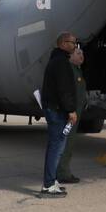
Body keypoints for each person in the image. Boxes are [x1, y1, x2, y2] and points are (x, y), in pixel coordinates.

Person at [38, 32, 79, 198]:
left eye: (76, 43)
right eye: (72, 43)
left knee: (56, 147)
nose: (75, 46)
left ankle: (52, 180)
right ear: (62, 43)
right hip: (57, 111)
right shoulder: (61, 63)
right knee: (56, 148)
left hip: (54, 109)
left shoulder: (56, 60)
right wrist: (71, 110)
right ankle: (48, 185)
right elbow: (64, 90)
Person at [56, 44, 89, 184]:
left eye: (82, 53)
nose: (81, 55)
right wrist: (70, 111)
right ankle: (62, 173)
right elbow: (66, 93)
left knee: (69, 142)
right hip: (70, 115)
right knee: (66, 142)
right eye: (78, 53)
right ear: (70, 56)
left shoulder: (77, 70)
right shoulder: (70, 71)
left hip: (75, 114)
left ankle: (62, 171)